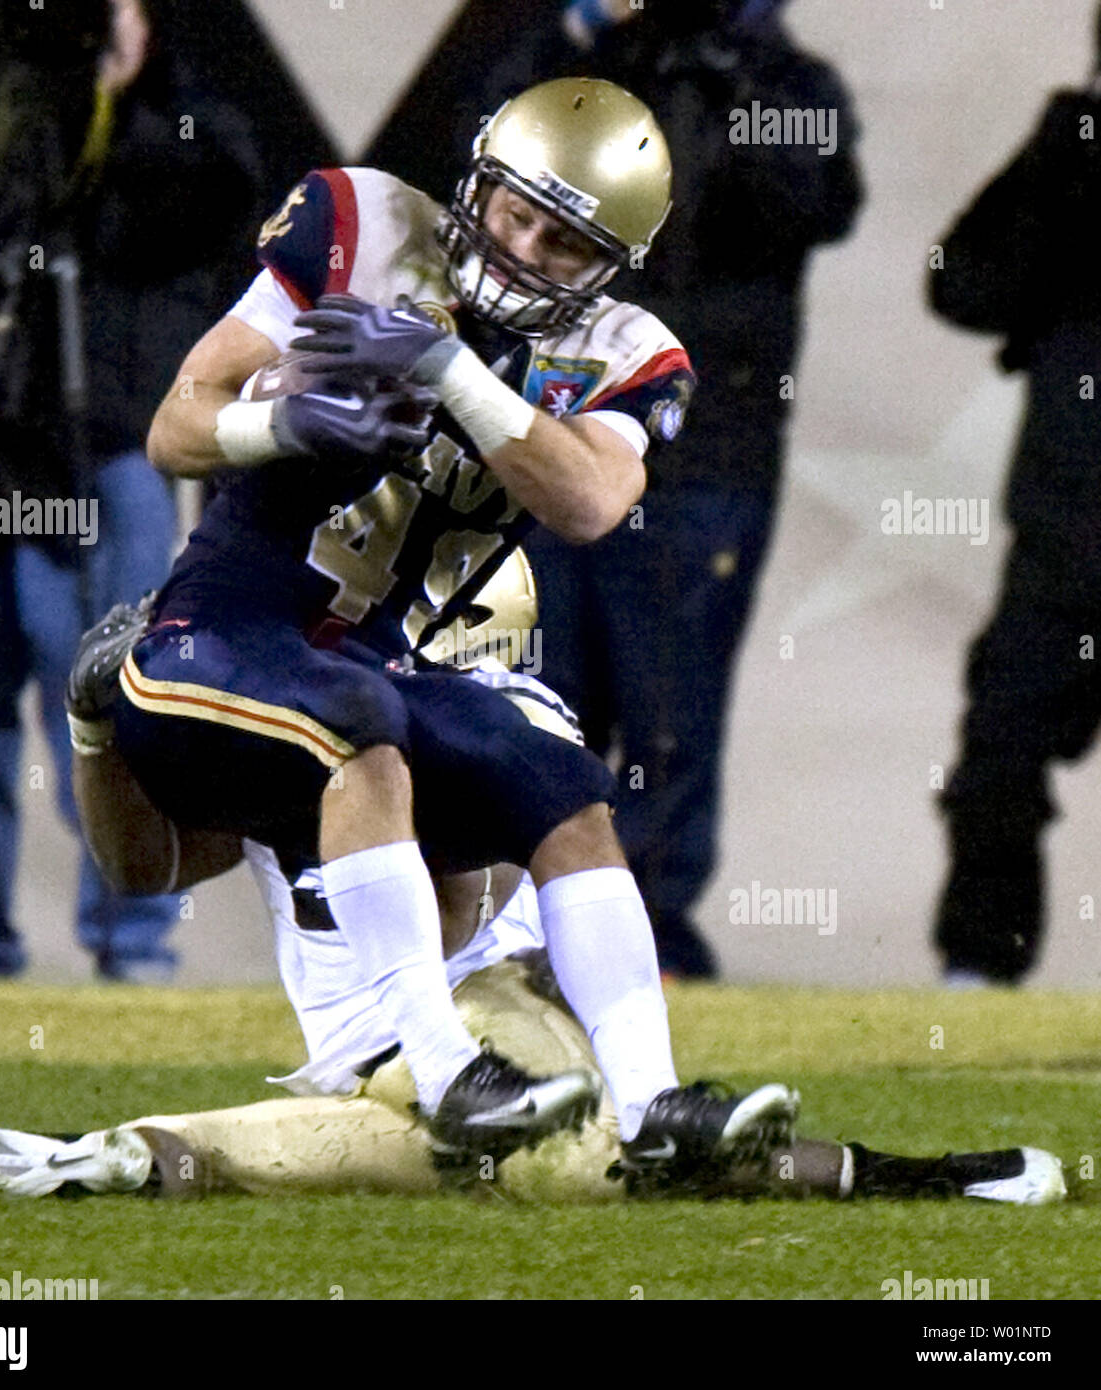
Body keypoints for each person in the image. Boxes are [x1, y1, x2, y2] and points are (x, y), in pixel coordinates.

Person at [115, 73, 804, 1175]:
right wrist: (288, 418)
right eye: (513, 210)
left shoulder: (629, 350)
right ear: (475, 178)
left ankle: (653, 1105)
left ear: (613, 265)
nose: (523, 247)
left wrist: (451, 373)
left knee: (557, 776)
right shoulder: (365, 226)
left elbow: (584, 502)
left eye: (563, 243)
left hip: (373, 659)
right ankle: (444, 1073)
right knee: (361, 722)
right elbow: (175, 427)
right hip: (220, 631)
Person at [369, 0, 863, 977]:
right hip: (547, 439)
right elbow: (472, 151)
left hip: (703, 453)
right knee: (526, 697)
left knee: (671, 714)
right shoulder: (575, 58)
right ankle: (503, 946)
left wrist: (728, 64)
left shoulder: (784, 84)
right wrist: (579, 28)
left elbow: (815, 201)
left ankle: (647, 945)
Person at [0, 0, 301, 979]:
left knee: (120, 717)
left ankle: (134, 955)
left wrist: (117, 73)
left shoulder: (195, 125)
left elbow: (220, 190)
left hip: (106, 462)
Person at [0, 856, 1065, 1206]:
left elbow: (141, 859)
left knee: (428, 1163)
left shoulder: (282, 697)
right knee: (607, 1162)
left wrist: (99, 725)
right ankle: (926, 1180)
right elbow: (486, 917)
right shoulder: (422, 724)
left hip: (376, 1062)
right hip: (457, 1029)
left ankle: (140, 1147)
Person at [927, 5, 1101, 986]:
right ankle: (978, 980)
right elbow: (959, 286)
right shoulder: (1072, 153)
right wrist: (1054, 168)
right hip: (1063, 538)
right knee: (996, 762)